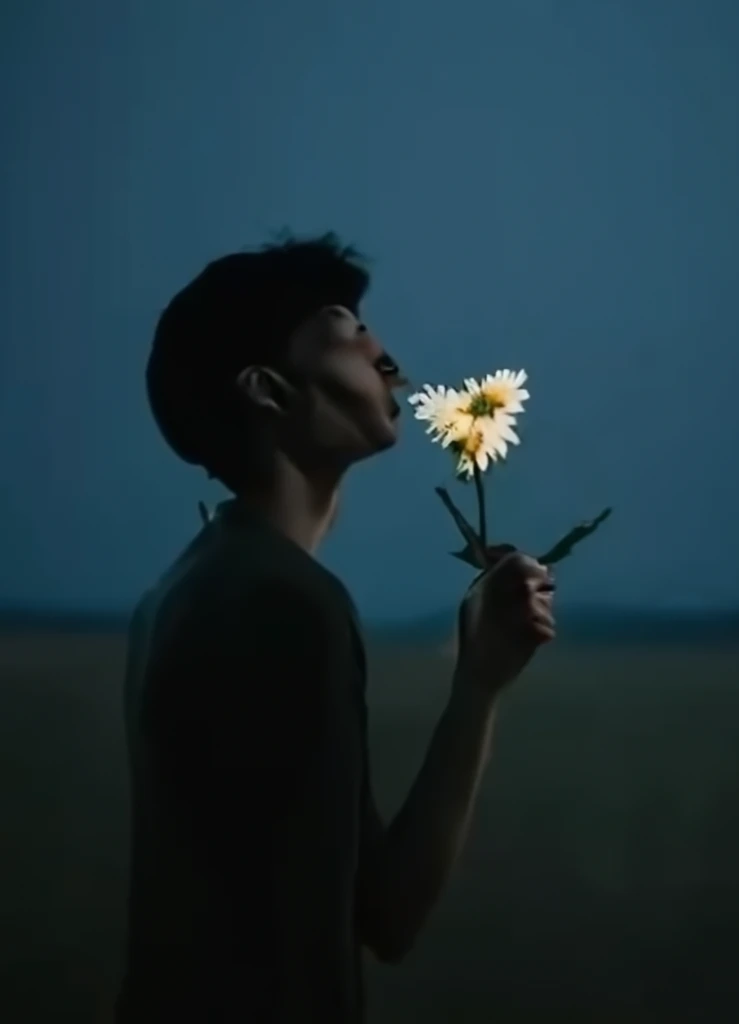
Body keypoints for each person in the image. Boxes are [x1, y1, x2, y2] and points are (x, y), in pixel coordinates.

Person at [116, 233, 556, 1023]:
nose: (390, 361)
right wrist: (480, 685)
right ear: (268, 390)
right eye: (347, 330)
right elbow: (385, 913)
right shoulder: (286, 602)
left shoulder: (182, 591)